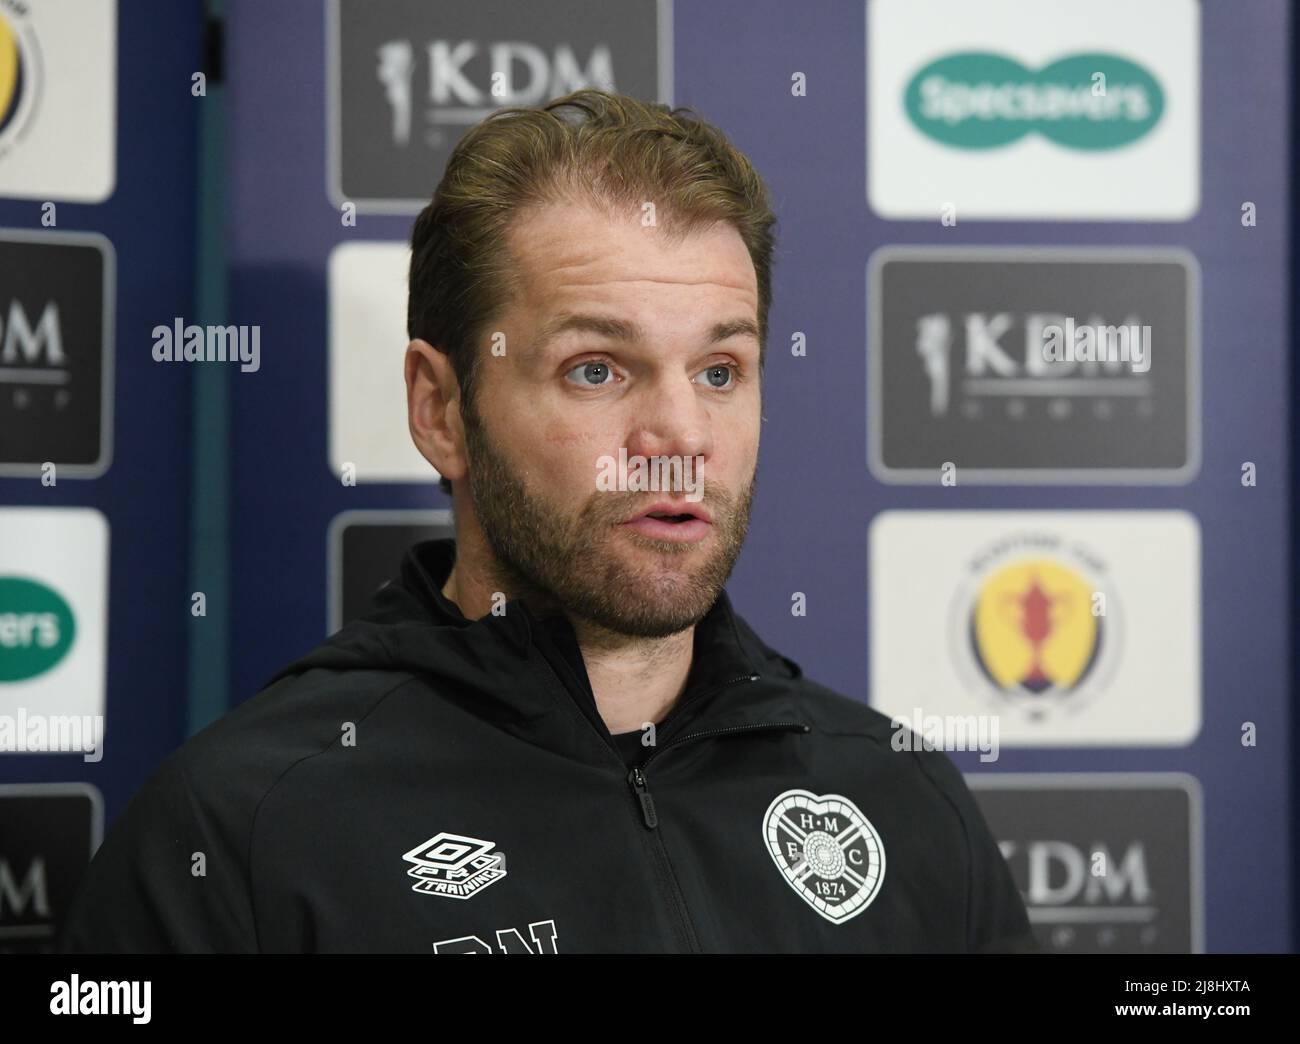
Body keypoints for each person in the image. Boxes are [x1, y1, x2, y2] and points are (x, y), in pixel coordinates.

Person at [59, 88, 1035, 954]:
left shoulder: (898, 800)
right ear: (441, 409)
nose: (679, 435)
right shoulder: (238, 830)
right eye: (597, 369)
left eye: (719, 370)